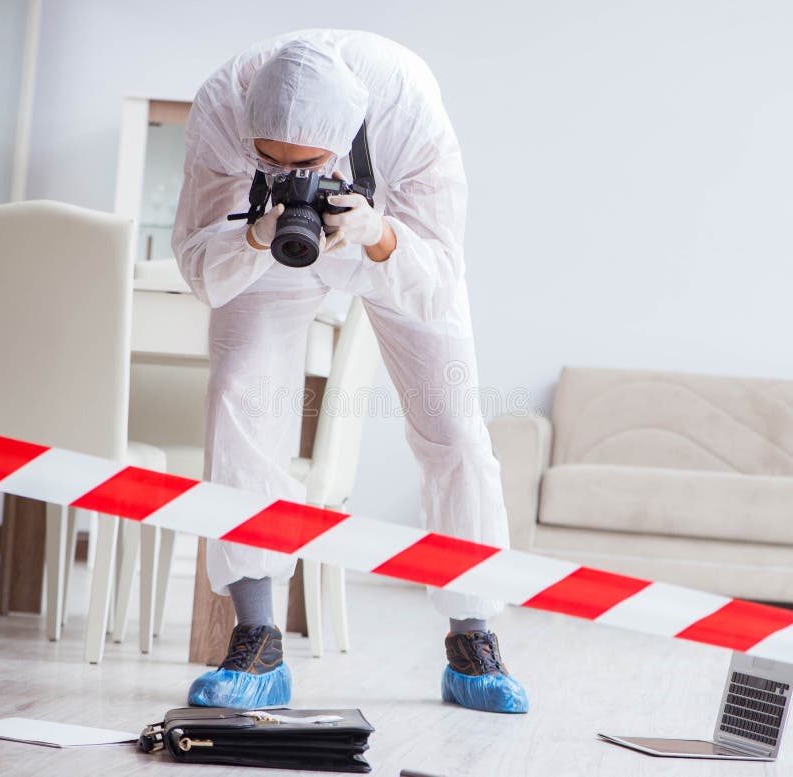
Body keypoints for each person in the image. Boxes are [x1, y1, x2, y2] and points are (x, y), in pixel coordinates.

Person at [172, 28, 528, 714]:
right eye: (270, 160)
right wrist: (253, 231)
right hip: (268, 241)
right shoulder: (221, 107)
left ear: (341, 142)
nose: (291, 174)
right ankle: (257, 640)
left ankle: (473, 643)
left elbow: (437, 280)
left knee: (452, 428)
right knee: (239, 393)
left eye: (305, 163)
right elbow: (199, 267)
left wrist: (379, 233)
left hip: (393, 232)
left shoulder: (408, 106)